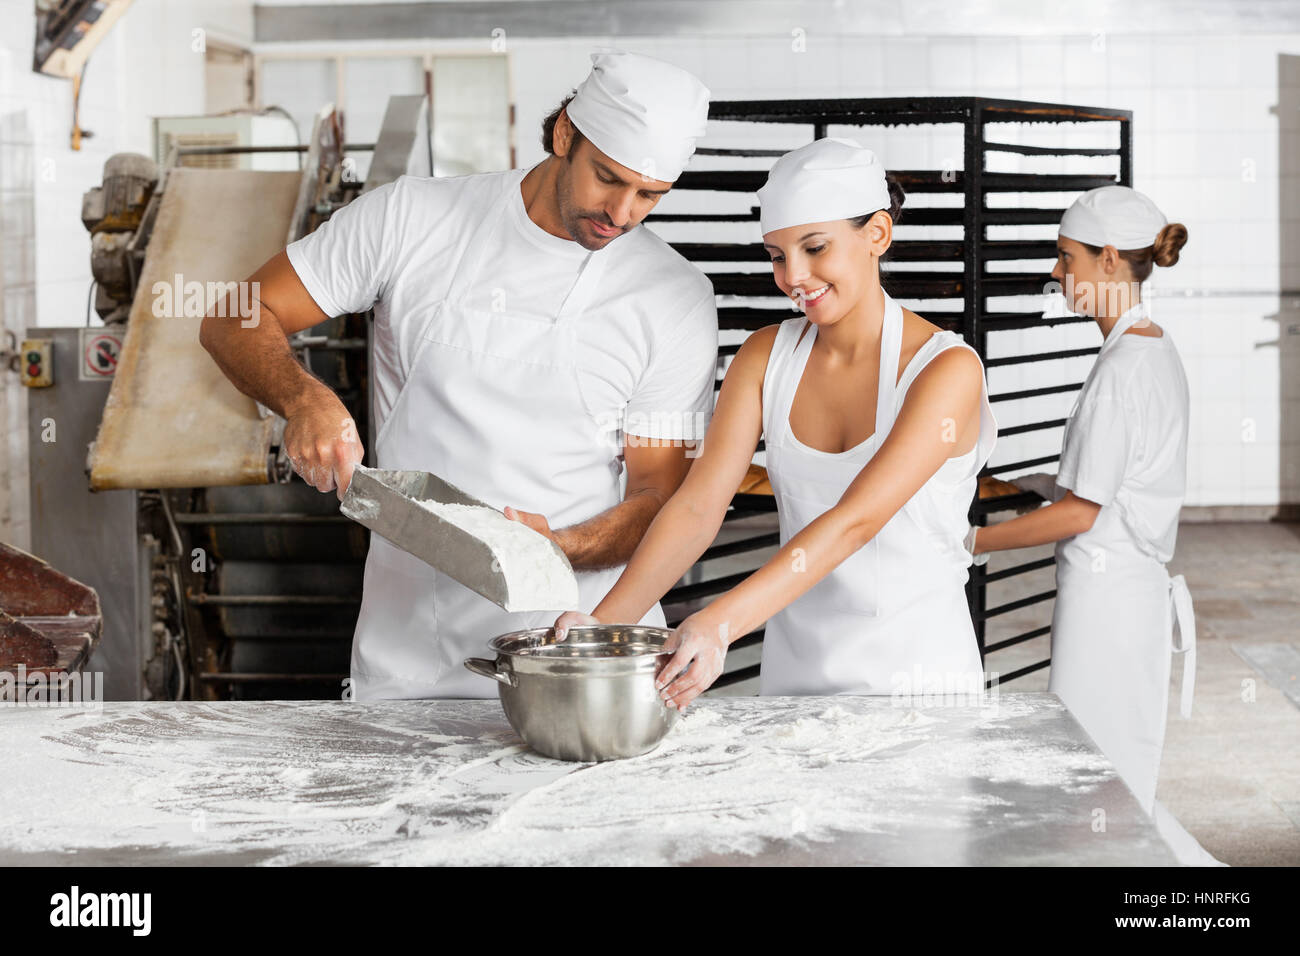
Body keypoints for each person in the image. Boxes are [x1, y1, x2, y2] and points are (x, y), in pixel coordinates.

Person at [200, 52, 718, 699]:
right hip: (416, 650)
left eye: (649, 195)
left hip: (580, 652)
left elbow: (658, 499)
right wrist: (303, 398)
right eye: (607, 178)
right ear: (564, 134)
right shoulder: (413, 219)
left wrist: (556, 547)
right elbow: (235, 314)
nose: (621, 212)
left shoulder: (675, 298)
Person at [556, 137, 997, 709]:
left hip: (917, 677)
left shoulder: (946, 370)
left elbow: (855, 521)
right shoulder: (766, 358)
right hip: (796, 675)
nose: (795, 276)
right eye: (777, 254)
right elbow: (697, 507)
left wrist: (719, 622)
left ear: (878, 236)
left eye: (815, 248)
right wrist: (602, 627)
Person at [969, 185, 1221, 865]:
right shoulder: (1146, 348)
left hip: (1109, 601)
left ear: (1110, 260)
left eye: (1065, 257)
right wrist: (1018, 484)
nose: (1057, 272)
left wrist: (969, 545)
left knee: (1094, 771)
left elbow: (1081, 513)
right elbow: (1102, 487)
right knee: (1107, 766)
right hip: (1123, 590)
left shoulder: (1124, 369)